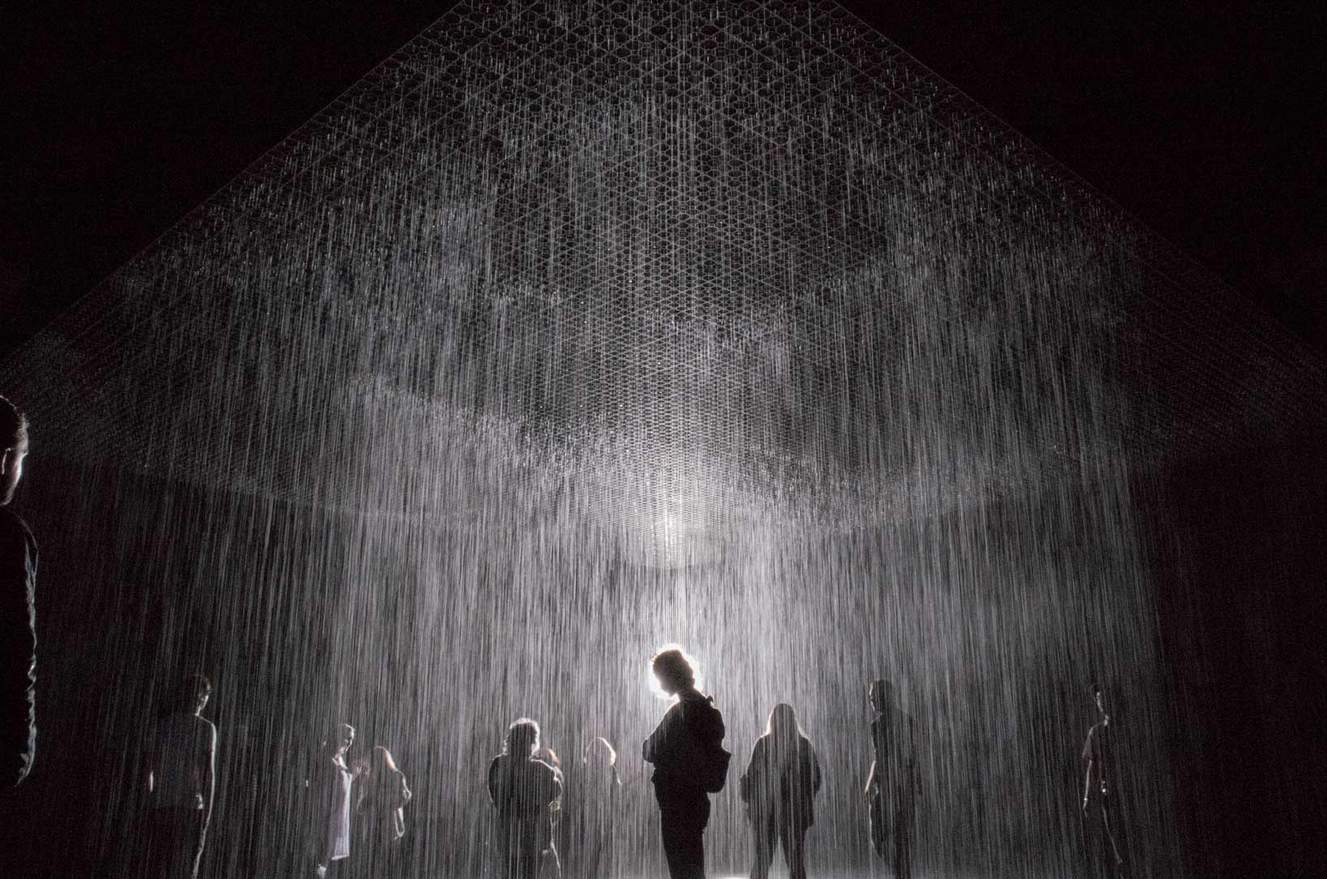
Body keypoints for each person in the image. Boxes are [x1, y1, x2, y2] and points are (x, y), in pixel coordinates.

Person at [642, 646, 728, 879]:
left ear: (670, 676)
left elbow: (648, 750)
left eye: (660, 678)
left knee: (681, 868)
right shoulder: (707, 709)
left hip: (676, 800)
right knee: (693, 864)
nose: (660, 684)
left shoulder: (680, 711)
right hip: (696, 798)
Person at [141, 673, 217, 878]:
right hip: (190, 810)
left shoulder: (162, 727)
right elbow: (208, 776)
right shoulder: (206, 729)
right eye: (205, 695)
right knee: (186, 871)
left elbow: (148, 771)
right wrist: (207, 816)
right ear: (202, 697)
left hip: (162, 807)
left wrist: (151, 802)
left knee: (158, 869)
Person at [740, 704, 821, 879]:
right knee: (793, 860)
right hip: (791, 811)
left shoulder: (764, 745)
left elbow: (750, 776)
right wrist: (802, 796)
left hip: (770, 811)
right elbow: (815, 779)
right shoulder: (802, 746)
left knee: (765, 859)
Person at [0, 395, 36, 789]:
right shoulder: (8, 538)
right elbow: (17, 644)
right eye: (21, 458)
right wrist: (18, 748)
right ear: (4, 460)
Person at [488, 719, 563, 879]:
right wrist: (546, 811)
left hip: (510, 836)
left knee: (511, 873)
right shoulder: (543, 770)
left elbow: (496, 798)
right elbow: (557, 794)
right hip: (534, 838)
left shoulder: (499, 765)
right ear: (532, 743)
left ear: (510, 740)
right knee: (531, 874)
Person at [864, 679, 917, 879]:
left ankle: (900, 871)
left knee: (885, 837)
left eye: (873, 697)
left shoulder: (882, 725)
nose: (871, 701)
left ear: (883, 696)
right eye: (870, 698)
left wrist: (874, 783)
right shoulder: (904, 721)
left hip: (892, 786)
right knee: (897, 837)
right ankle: (901, 871)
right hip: (898, 785)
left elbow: (886, 757)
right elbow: (883, 757)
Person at [1081, 683, 1126, 876]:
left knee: (1125, 834)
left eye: (1104, 697)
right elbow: (1091, 766)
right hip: (1108, 792)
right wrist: (1087, 796)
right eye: (1099, 699)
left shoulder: (1125, 729)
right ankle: (1124, 869)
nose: (1102, 702)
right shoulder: (1096, 732)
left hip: (1125, 790)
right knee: (1115, 835)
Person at [353, 745, 412, 876]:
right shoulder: (370, 778)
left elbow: (403, 798)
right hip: (374, 829)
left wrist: (380, 800)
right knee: (374, 867)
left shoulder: (396, 776)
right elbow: (361, 807)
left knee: (387, 866)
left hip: (390, 829)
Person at [568, 737, 621, 878]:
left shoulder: (585, 772)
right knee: (605, 859)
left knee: (590, 860)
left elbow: (575, 797)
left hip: (590, 819)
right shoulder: (610, 771)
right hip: (604, 819)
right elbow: (617, 796)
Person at [309, 723, 357, 877]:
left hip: (335, 814)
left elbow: (342, 783)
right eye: (347, 738)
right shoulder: (326, 758)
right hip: (324, 811)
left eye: (351, 739)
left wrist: (353, 775)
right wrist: (352, 775)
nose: (349, 743)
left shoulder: (340, 759)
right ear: (336, 736)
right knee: (320, 853)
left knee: (326, 854)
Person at [533, 747, 564, 879]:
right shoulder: (549, 774)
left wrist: (551, 816)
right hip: (540, 822)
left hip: (541, 822)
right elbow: (556, 801)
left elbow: (556, 801)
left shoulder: (554, 774)